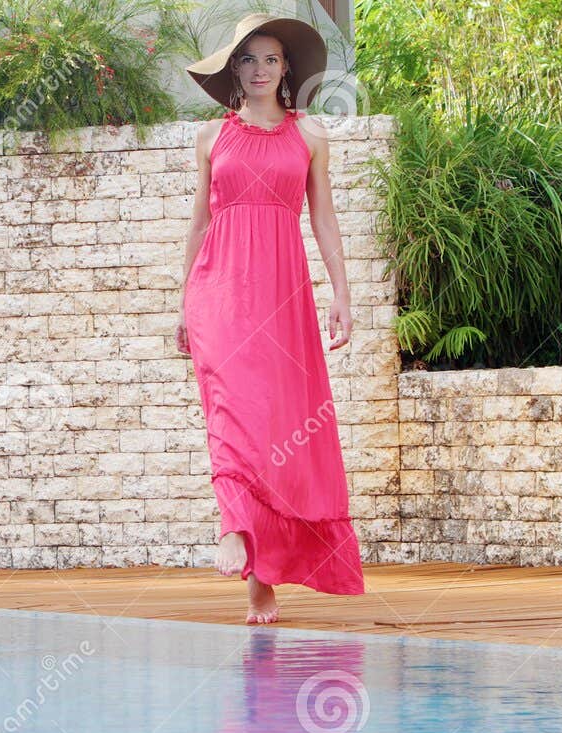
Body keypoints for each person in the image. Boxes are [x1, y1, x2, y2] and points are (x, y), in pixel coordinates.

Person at [176, 14, 365, 625]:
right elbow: (200, 223)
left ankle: (265, 572)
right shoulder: (211, 138)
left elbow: (324, 220)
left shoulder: (309, 135)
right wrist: (184, 301)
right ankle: (236, 526)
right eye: (249, 60)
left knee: (278, 430)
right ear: (235, 70)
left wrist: (342, 292)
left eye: (271, 59)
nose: (260, 70)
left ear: (287, 71)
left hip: (283, 299)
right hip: (220, 293)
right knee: (229, 409)